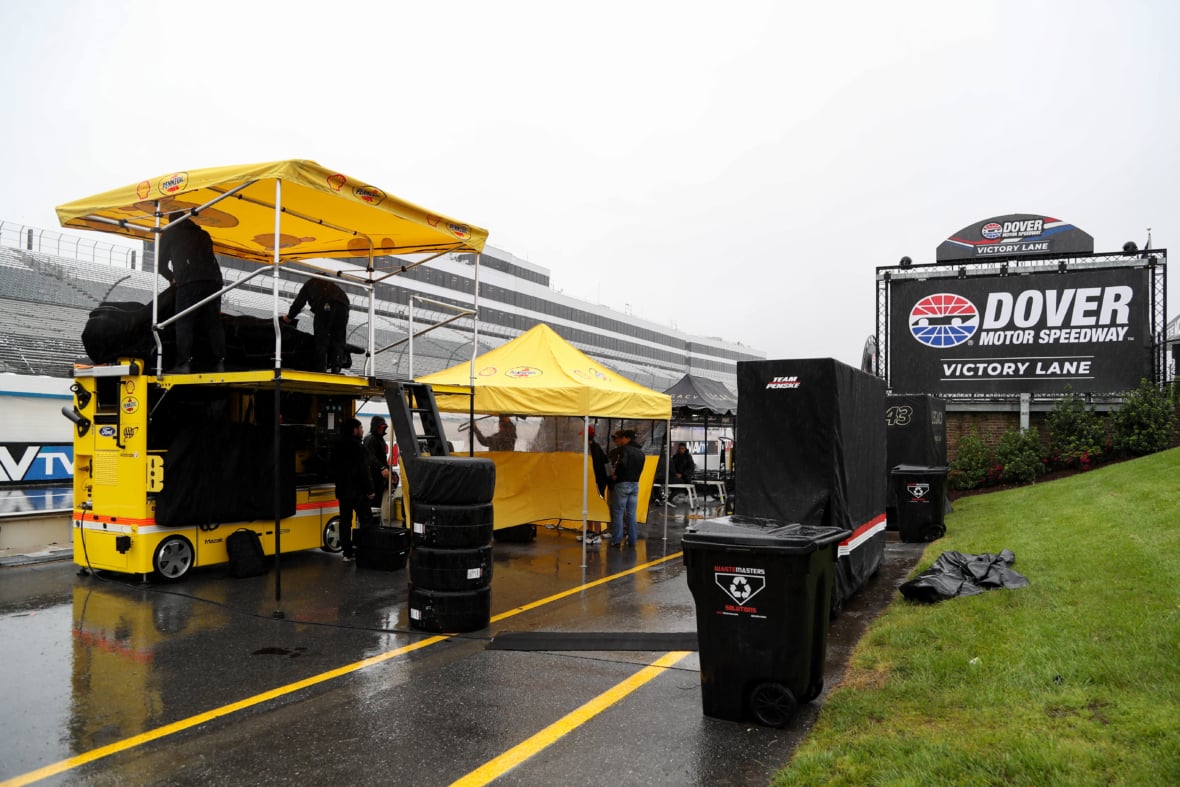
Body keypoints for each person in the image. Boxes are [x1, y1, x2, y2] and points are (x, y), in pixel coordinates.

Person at [159, 212, 225, 373]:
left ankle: (183, 364)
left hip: (189, 281)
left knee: (184, 322)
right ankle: (219, 363)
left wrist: (171, 277)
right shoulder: (203, 233)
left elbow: (160, 264)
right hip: (214, 280)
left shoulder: (169, 233)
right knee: (213, 322)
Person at [282, 278, 350, 373]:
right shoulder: (333, 285)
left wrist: (290, 316)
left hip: (325, 304)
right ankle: (336, 367)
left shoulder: (311, 283)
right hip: (344, 306)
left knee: (321, 338)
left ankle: (320, 368)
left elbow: (299, 302)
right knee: (338, 339)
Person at [330, 417, 374, 562]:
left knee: (345, 521)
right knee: (366, 519)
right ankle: (365, 549)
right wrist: (370, 490)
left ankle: (347, 553)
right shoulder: (359, 448)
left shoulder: (336, 446)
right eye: (361, 428)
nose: (362, 430)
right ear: (354, 430)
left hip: (342, 491)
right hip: (358, 491)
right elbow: (364, 471)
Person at [608, 429, 645, 548]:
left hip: (622, 483)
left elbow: (622, 464)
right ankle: (632, 540)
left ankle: (617, 540)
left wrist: (616, 474)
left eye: (621, 438)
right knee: (631, 513)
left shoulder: (624, 450)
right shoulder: (640, 452)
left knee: (618, 513)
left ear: (627, 438)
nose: (619, 440)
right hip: (635, 484)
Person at [363, 415, 396, 518]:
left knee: (377, 505)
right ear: (375, 427)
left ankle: (375, 524)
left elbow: (381, 459)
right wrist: (382, 468)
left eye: (383, 427)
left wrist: (390, 471)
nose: (382, 429)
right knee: (372, 505)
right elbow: (370, 457)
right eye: (380, 427)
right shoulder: (371, 439)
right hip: (372, 477)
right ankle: (372, 525)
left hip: (378, 478)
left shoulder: (379, 439)